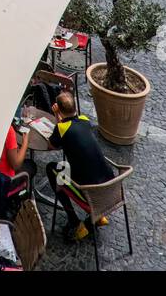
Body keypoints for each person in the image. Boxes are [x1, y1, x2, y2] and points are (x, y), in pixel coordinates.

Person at [46, 92, 116, 241]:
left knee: (51, 168)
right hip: (110, 187)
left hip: (89, 193)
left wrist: (56, 114)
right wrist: (60, 115)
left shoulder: (61, 128)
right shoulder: (86, 120)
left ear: (58, 108)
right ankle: (97, 217)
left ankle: (73, 218)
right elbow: (68, 124)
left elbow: (51, 145)